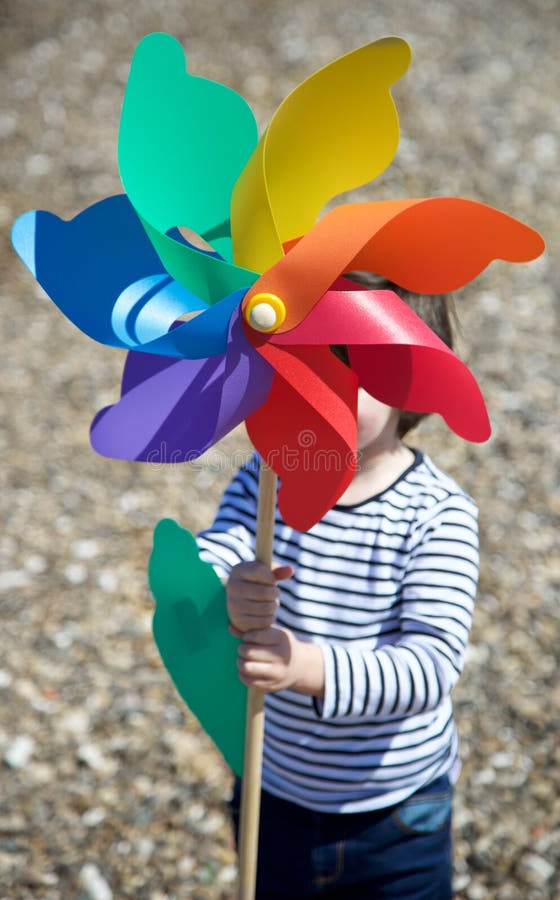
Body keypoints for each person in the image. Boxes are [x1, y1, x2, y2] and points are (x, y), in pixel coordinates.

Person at [197, 277, 478, 898]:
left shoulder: (436, 516)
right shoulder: (268, 475)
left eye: (348, 364)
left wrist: (305, 666)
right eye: (305, 360)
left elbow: (430, 668)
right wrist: (227, 587)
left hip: (396, 813)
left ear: (413, 378)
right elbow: (215, 553)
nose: (319, 382)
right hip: (274, 786)